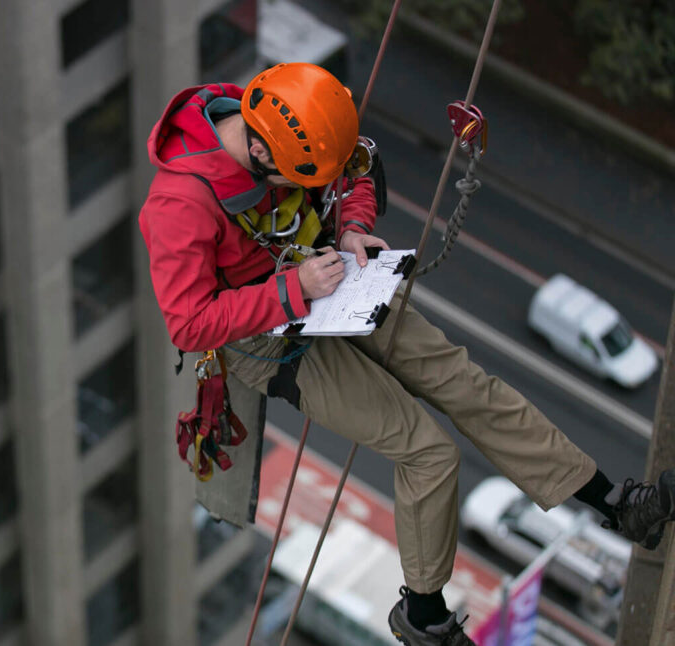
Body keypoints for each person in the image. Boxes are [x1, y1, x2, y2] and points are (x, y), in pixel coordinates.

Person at [138, 62, 675, 646]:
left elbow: (352, 171)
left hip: (329, 277)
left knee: (468, 386)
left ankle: (621, 507)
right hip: (270, 339)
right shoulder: (180, 206)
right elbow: (189, 323)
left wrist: (351, 228)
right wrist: (293, 290)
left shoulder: (290, 120)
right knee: (426, 450)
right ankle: (423, 618)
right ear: (261, 153)